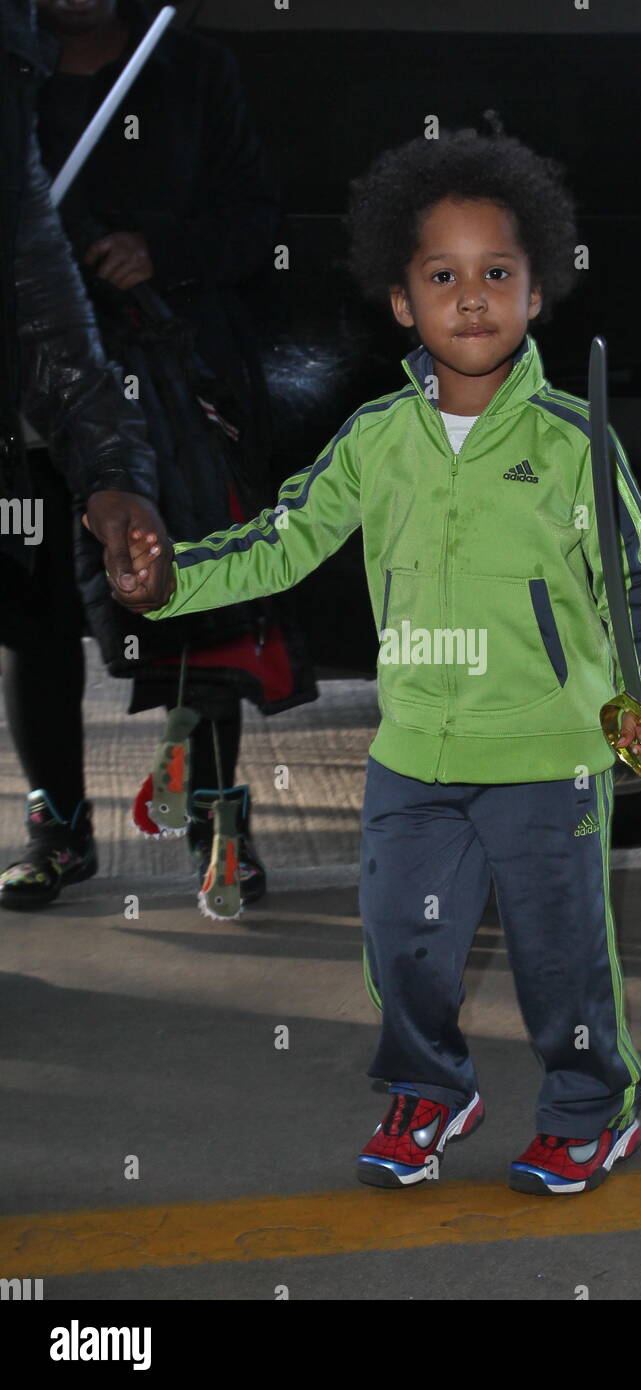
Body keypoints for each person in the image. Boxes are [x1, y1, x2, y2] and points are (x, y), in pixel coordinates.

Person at [114, 124, 641, 1197]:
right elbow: (279, 538)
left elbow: (637, 584)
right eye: (442, 275)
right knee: (403, 946)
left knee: (561, 960)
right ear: (400, 301)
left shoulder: (571, 440)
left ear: (534, 294)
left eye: (496, 273)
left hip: (545, 753)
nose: (470, 297)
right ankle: (430, 1089)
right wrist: (169, 578)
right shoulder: (377, 439)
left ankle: (587, 1107)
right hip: (415, 752)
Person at [16, 0, 319, 908]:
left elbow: (255, 214)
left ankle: (216, 828)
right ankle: (57, 830)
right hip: (36, 374)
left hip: (170, 377)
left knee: (191, 598)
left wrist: (161, 251)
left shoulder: (190, 69)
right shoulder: (11, 69)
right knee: (31, 611)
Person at [0, 0, 174, 911]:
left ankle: (70, 823)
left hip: (91, 404)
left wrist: (113, 477)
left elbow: (49, 314)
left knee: (45, 618)